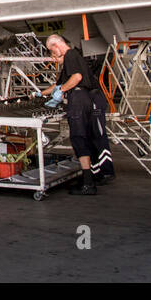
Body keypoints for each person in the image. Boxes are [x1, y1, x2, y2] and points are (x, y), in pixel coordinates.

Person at [41, 33, 115, 195]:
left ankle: (92, 180)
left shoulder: (70, 55)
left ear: (56, 46)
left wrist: (61, 92)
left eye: (52, 52)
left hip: (81, 100)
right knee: (86, 137)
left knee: (80, 138)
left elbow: (76, 78)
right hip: (84, 100)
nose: (53, 58)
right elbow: (58, 84)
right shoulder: (71, 60)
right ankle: (92, 175)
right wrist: (41, 94)